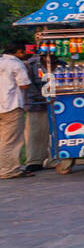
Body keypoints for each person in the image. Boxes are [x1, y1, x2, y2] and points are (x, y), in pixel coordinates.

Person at [1, 42, 33, 179]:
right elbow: (24, 84)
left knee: (3, 139)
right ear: (19, 51)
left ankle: (6, 167)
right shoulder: (16, 64)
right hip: (11, 106)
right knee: (12, 140)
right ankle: (9, 170)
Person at [23, 50, 52, 172]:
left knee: (50, 133)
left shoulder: (60, 63)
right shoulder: (31, 65)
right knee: (35, 133)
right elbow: (29, 87)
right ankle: (34, 160)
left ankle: (50, 159)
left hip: (53, 105)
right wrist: (43, 98)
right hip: (36, 104)